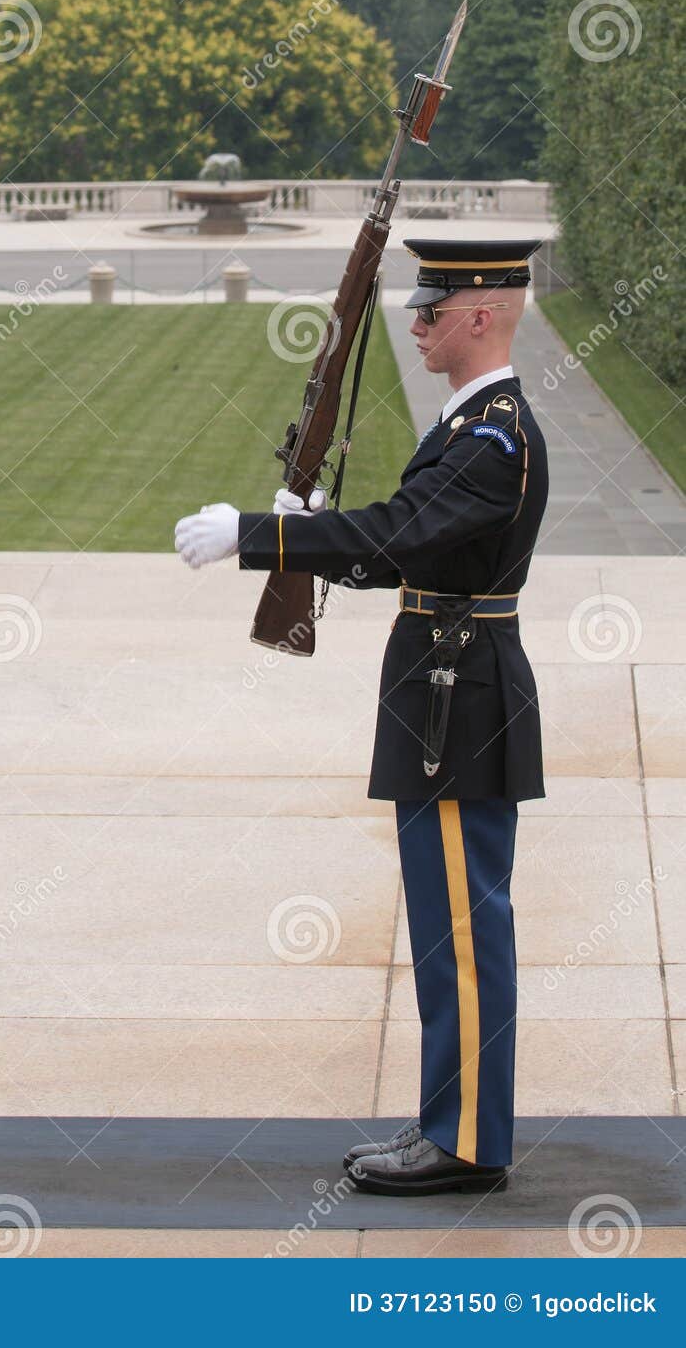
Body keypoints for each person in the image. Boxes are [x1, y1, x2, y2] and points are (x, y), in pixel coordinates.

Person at [175, 239, 549, 1196]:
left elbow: (393, 530)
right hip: (440, 688)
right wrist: (305, 528)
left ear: (481, 316)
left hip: (460, 699)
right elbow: (399, 547)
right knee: (442, 922)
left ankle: (465, 1142)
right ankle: (449, 1121)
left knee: (463, 927)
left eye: (432, 309)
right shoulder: (469, 429)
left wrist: (260, 538)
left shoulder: (494, 436)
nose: (416, 324)